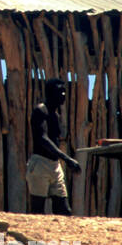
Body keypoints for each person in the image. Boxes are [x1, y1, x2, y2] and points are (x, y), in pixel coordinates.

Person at [27, 78, 81, 216]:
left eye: (64, 91)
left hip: (54, 165)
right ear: (50, 93)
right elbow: (42, 138)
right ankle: (34, 238)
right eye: (59, 91)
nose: (63, 95)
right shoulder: (40, 111)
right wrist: (67, 158)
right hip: (40, 164)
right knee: (38, 211)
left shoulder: (55, 115)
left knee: (64, 210)